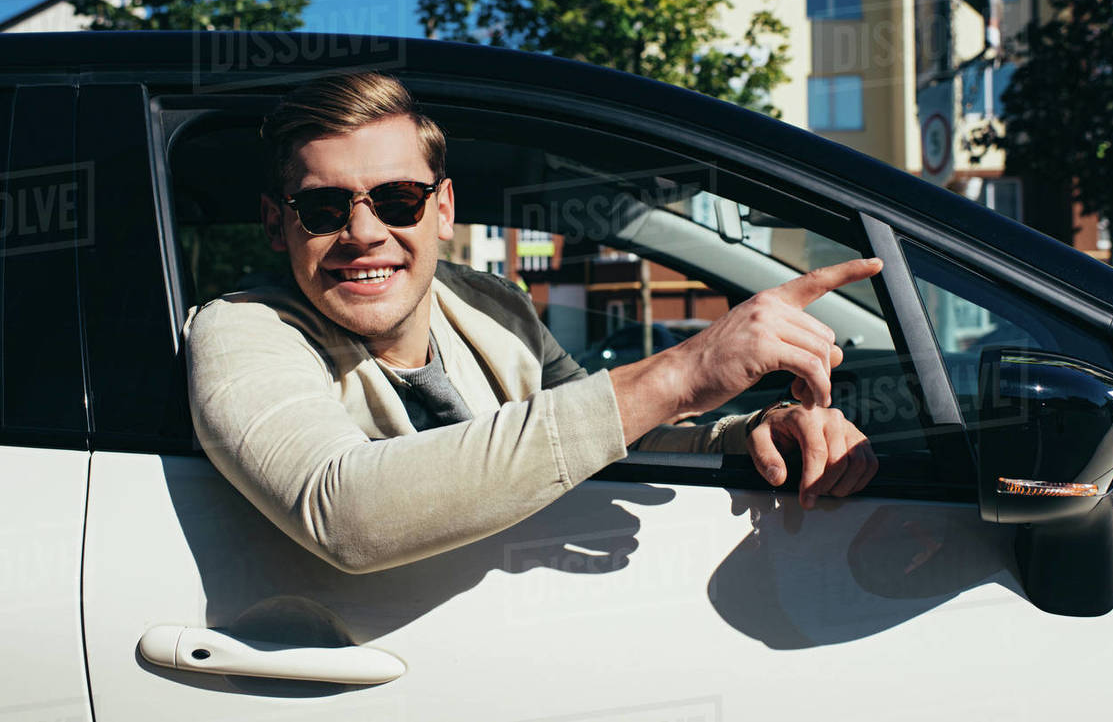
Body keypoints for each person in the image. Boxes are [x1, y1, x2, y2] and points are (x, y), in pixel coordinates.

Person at [184, 72, 882, 574]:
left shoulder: (497, 307)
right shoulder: (240, 330)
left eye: (398, 198)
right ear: (278, 224)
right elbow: (346, 512)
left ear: (445, 208)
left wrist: (755, 436)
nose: (364, 231)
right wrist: (681, 370)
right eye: (324, 208)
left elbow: (609, 432)